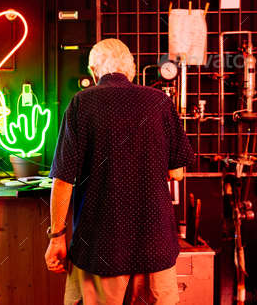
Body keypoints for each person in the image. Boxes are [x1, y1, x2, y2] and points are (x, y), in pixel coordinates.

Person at [45, 38, 195, 305]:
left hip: (100, 248)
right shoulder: (160, 101)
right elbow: (178, 173)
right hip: (155, 245)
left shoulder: (82, 103)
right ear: (132, 70)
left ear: (94, 71)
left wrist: (57, 237)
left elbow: (64, 179)